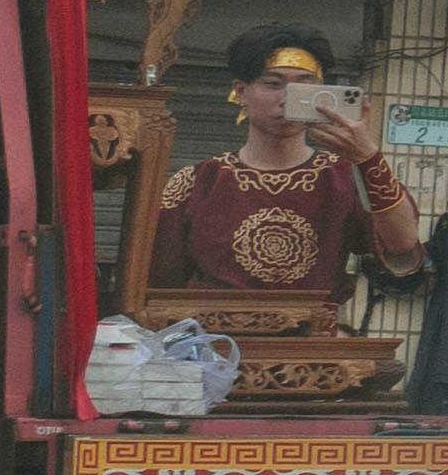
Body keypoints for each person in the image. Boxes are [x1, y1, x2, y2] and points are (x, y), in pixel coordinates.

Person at [111, 30, 427, 379]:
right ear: (240, 92)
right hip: (209, 366)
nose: (286, 98)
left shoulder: (343, 176)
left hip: (313, 369)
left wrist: (368, 158)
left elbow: (403, 244)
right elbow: (154, 291)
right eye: (273, 84)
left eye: (303, 85)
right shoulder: (196, 181)